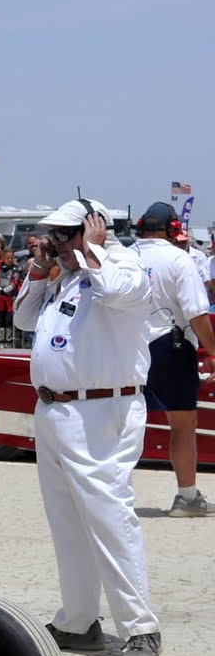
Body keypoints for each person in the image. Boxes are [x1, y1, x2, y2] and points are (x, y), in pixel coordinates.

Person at [12, 199, 161, 656]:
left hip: (101, 410)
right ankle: (79, 621)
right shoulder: (70, 277)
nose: (52, 243)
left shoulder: (122, 265)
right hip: (55, 411)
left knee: (109, 516)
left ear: (92, 228)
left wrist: (94, 249)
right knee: (67, 521)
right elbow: (22, 320)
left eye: (61, 234)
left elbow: (119, 291)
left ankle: (141, 628)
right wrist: (41, 266)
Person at [135, 202, 215, 517]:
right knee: (182, 425)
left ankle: (108, 496)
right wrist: (212, 351)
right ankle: (187, 497)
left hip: (126, 347)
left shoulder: (123, 257)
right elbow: (196, 312)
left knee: (120, 422)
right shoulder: (179, 259)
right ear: (171, 230)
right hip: (169, 346)